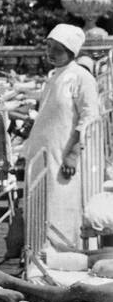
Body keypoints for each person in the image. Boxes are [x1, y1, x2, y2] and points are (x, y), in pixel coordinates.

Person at [24, 23, 101, 246]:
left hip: (64, 152)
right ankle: (38, 253)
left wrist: (73, 154)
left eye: (57, 49)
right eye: (49, 47)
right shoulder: (54, 76)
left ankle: (63, 254)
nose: (51, 53)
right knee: (41, 203)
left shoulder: (81, 78)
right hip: (44, 153)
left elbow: (90, 118)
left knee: (61, 202)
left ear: (71, 51)